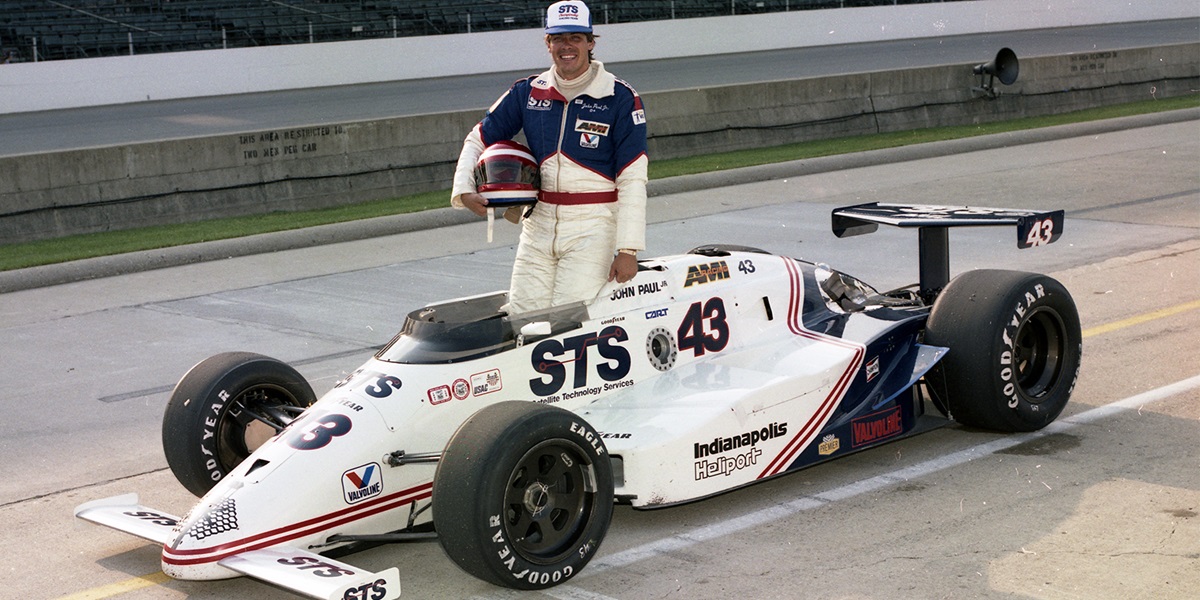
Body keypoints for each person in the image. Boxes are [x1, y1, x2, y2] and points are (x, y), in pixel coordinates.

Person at [450, 0, 649, 314]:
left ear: (590, 42)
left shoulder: (620, 97)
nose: (566, 46)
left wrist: (628, 249)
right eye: (558, 38)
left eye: (575, 37)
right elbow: (478, 138)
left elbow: (633, 178)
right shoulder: (527, 92)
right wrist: (464, 188)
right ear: (547, 43)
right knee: (523, 315)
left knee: (567, 319)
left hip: (593, 226)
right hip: (538, 224)